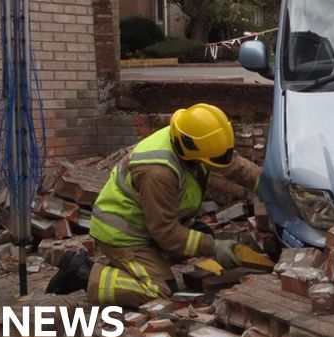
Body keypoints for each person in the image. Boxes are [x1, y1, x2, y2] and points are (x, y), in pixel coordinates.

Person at [46, 103, 261, 307]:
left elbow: (232, 165)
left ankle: (135, 266)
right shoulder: (159, 172)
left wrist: (267, 185)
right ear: (191, 150)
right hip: (123, 234)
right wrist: (213, 247)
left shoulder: (191, 137)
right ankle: (85, 273)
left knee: (197, 236)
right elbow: (165, 232)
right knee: (160, 289)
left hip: (147, 223)